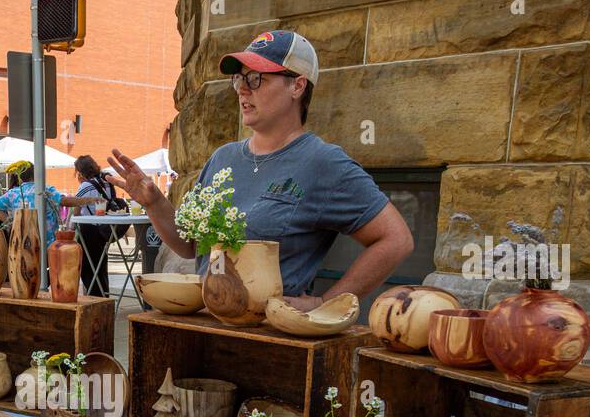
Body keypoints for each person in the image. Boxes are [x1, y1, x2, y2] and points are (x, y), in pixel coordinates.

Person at [108, 30, 413, 312]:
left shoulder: (323, 163)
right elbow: (190, 247)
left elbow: (396, 240)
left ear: (297, 85)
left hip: (271, 341)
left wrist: (325, 303)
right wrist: (154, 203)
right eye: (239, 79)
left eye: (256, 79)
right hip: (203, 327)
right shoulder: (222, 158)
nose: (242, 89)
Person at [0, 161, 95, 249]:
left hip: (23, 242)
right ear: (35, 174)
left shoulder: (13, 193)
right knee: (47, 271)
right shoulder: (45, 190)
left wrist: (13, 224)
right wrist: (88, 200)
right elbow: (64, 201)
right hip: (46, 243)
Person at [70, 155, 121, 297]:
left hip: (89, 229)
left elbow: (76, 205)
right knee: (100, 265)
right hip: (105, 228)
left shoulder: (86, 185)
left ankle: (94, 296)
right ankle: (104, 294)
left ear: (80, 171)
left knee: (88, 266)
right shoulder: (106, 181)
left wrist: (71, 229)